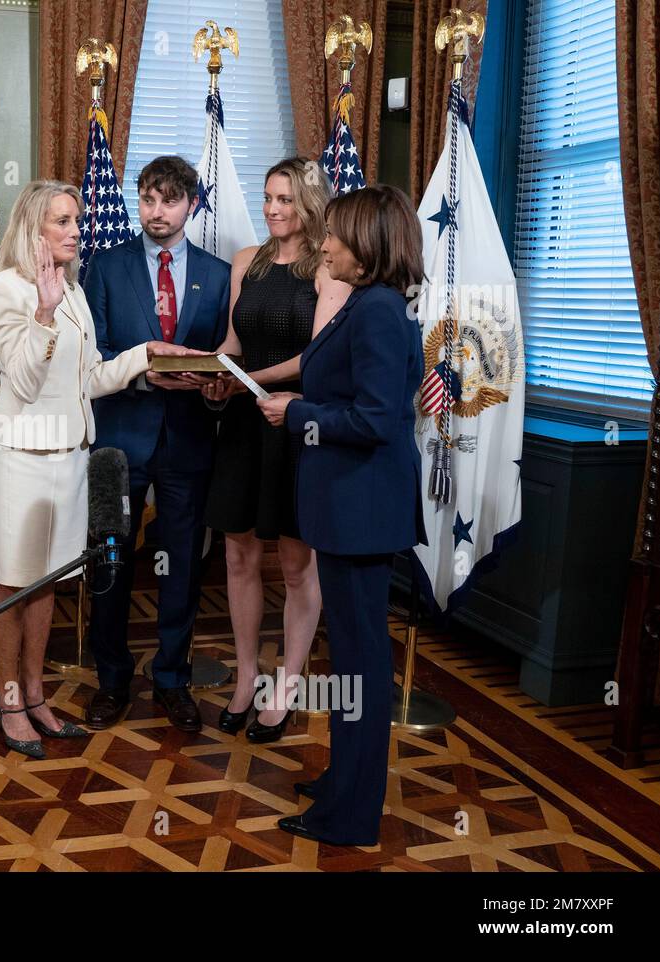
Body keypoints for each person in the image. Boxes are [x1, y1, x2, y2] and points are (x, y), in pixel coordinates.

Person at [0, 180, 202, 757]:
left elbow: (90, 380)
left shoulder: (75, 290)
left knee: (50, 580)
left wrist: (144, 355)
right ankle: (8, 698)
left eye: (77, 220)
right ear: (34, 227)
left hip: (73, 456)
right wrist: (45, 314)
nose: (76, 230)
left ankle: (35, 694)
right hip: (24, 456)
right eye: (63, 222)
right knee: (15, 582)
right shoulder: (7, 289)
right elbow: (26, 380)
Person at [257, 184, 427, 846]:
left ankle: (353, 815)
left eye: (334, 236)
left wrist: (297, 412)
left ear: (368, 245)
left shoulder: (380, 310)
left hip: (363, 511)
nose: (322, 244)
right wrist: (306, 400)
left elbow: (378, 421)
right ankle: (343, 782)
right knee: (350, 660)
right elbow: (353, 396)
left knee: (360, 668)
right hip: (346, 508)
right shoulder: (368, 304)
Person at [81, 156, 232, 733]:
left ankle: (173, 678)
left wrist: (215, 393)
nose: (157, 212)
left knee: (182, 569)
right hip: (117, 440)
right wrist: (144, 376)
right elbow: (90, 356)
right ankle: (111, 680)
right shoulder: (105, 266)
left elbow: (227, 362)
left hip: (188, 439)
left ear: (190, 205)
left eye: (169, 200)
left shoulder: (219, 277)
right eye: (147, 199)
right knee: (110, 561)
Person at [201, 158, 350, 742]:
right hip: (242, 421)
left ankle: (286, 685)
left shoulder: (328, 268)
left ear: (309, 203)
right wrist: (212, 372)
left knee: (295, 563)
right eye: (267, 197)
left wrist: (249, 377)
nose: (271, 209)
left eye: (284, 199)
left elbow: (315, 358)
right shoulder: (247, 262)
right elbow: (233, 340)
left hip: (295, 426)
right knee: (237, 555)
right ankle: (245, 679)